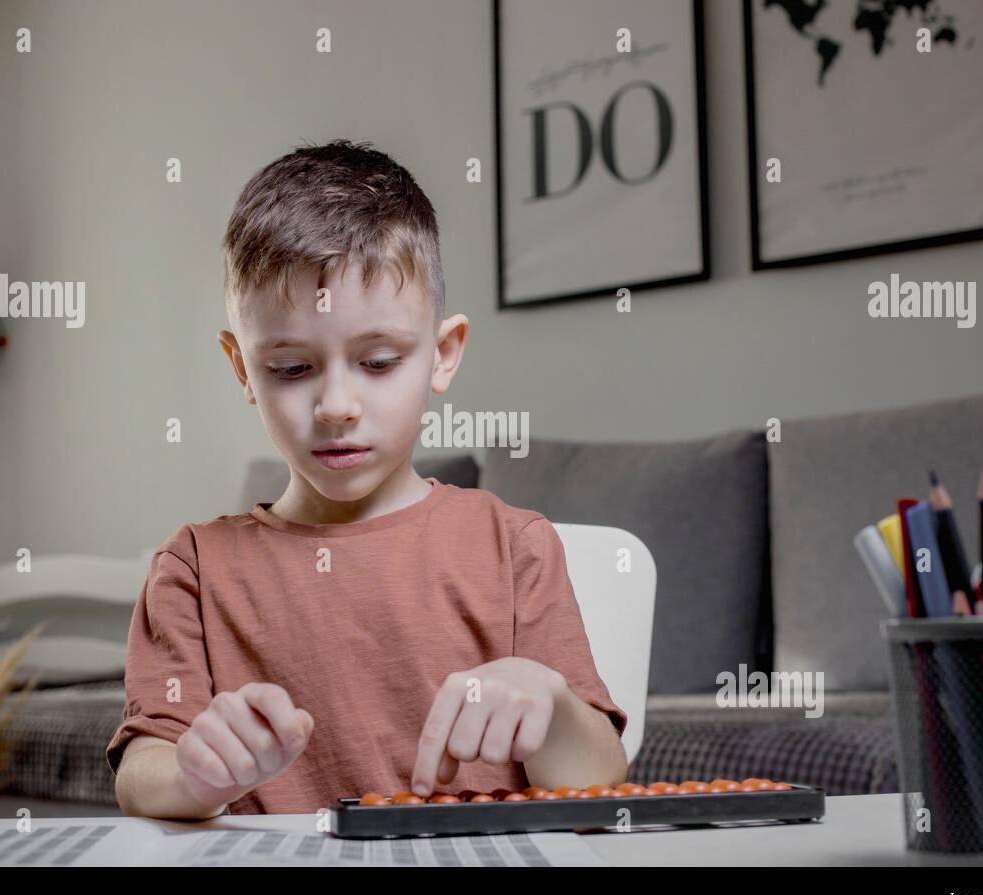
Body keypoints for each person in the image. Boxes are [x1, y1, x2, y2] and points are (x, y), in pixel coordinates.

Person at [107, 140, 627, 818]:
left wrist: (553, 709)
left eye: (378, 361)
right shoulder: (194, 569)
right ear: (242, 370)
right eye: (292, 369)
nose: (336, 406)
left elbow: (600, 777)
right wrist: (192, 775)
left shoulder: (515, 547)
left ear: (442, 357)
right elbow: (144, 764)